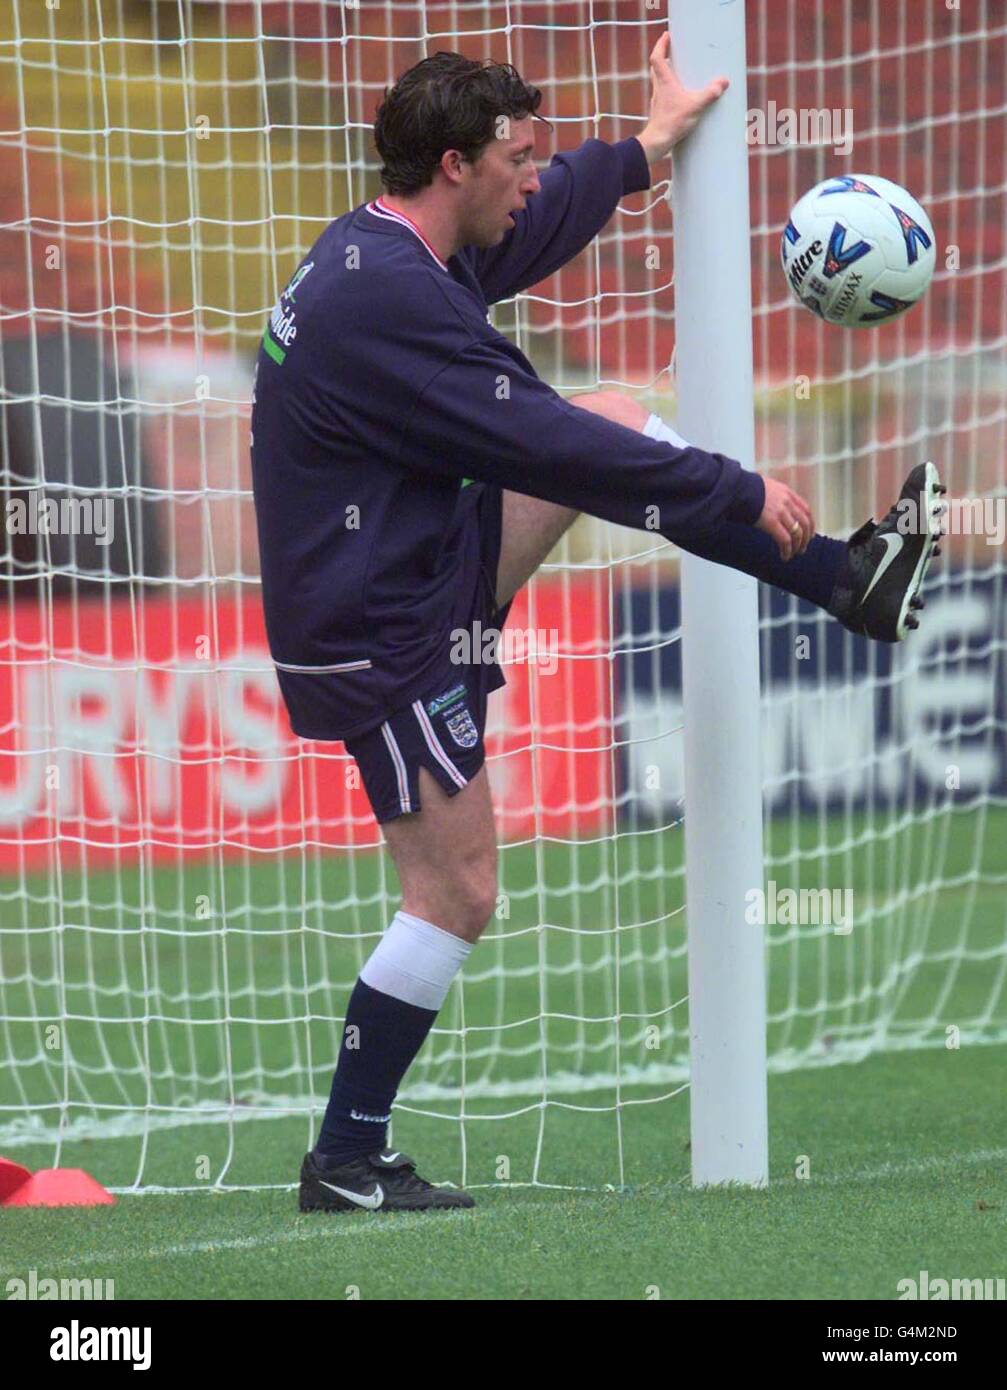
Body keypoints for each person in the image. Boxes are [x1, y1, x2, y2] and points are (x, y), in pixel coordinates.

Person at [249, 38, 942, 1212]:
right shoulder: (391, 307)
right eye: (519, 157)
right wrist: (737, 490)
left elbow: (527, 232)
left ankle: (841, 581)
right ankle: (345, 1158)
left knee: (615, 408)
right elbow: (552, 447)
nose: (535, 173)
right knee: (457, 892)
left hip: (413, 563)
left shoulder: (399, 243)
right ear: (456, 162)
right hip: (378, 626)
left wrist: (640, 150)